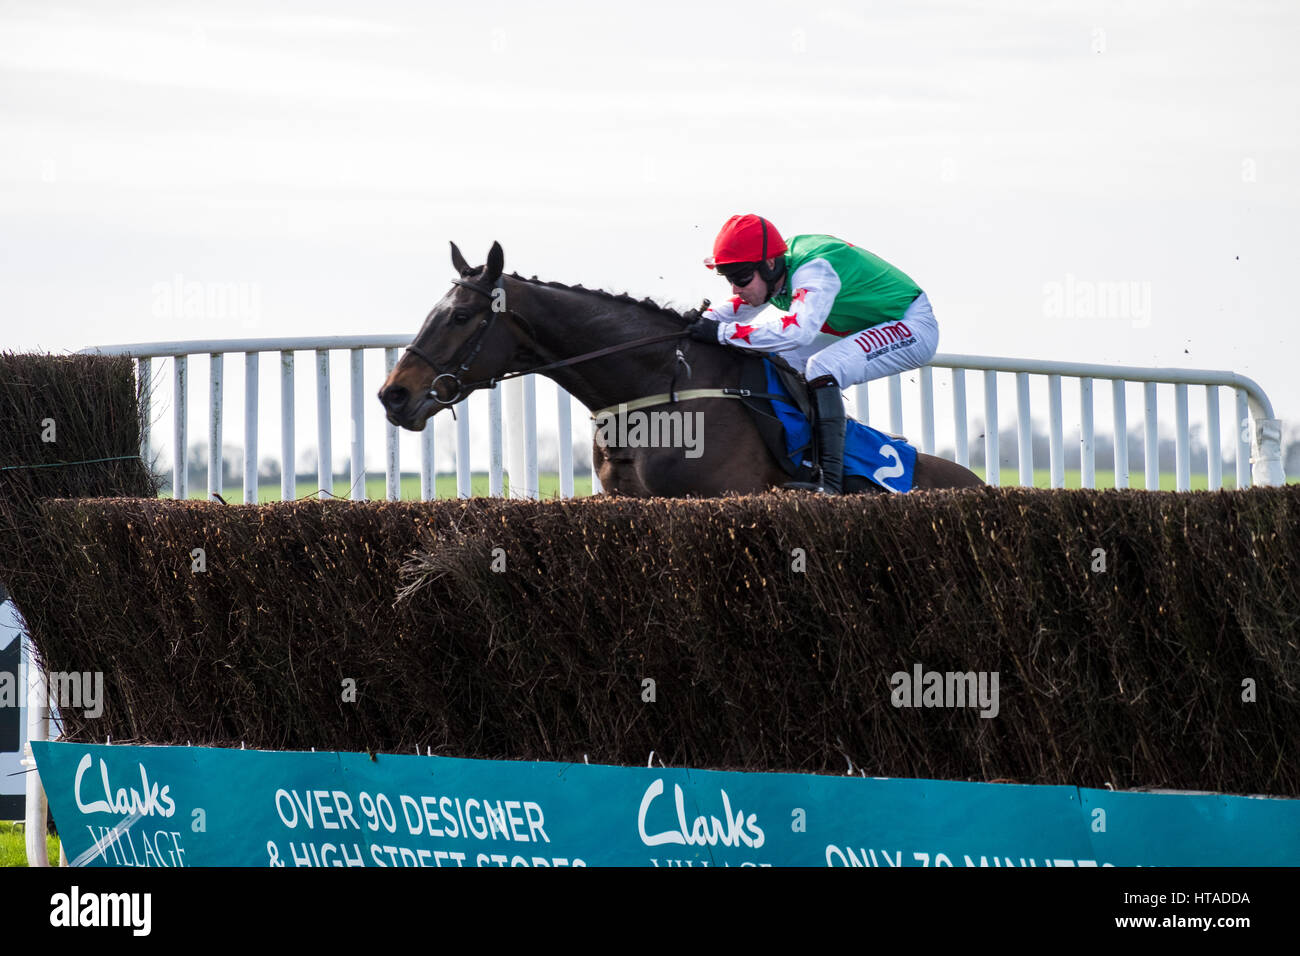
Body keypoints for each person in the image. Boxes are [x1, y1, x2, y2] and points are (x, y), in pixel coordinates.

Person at [685, 214, 939, 493]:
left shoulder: (814, 269)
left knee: (822, 367)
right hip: (863, 325)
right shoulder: (774, 271)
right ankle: (805, 453)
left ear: (770, 265)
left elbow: (798, 332)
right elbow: (723, 315)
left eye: (741, 278)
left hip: (910, 325)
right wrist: (685, 324)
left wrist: (721, 334)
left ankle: (828, 482)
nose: (736, 288)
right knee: (781, 361)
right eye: (730, 279)